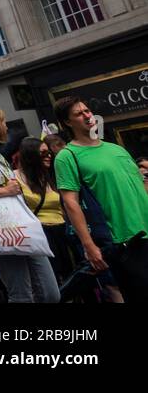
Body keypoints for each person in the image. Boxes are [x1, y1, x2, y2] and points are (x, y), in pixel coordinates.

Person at [53, 96, 148, 302]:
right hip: (124, 240)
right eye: (79, 114)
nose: (87, 116)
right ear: (67, 122)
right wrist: (89, 246)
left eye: (87, 111)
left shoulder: (116, 148)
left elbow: (141, 187)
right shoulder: (68, 156)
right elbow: (71, 203)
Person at [0, 105, 59, 303]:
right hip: (1, 230)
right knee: (21, 294)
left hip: (20, 226)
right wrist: (6, 190)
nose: (6, 126)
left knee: (50, 293)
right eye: (2, 121)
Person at [15, 136, 77, 292]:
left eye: (49, 153)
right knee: (53, 282)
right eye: (43, 153)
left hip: (63, 231)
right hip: (40, 233)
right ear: (31, 155)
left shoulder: (52, 177)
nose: (49, 156)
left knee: (74, 276)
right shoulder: (15, 178)